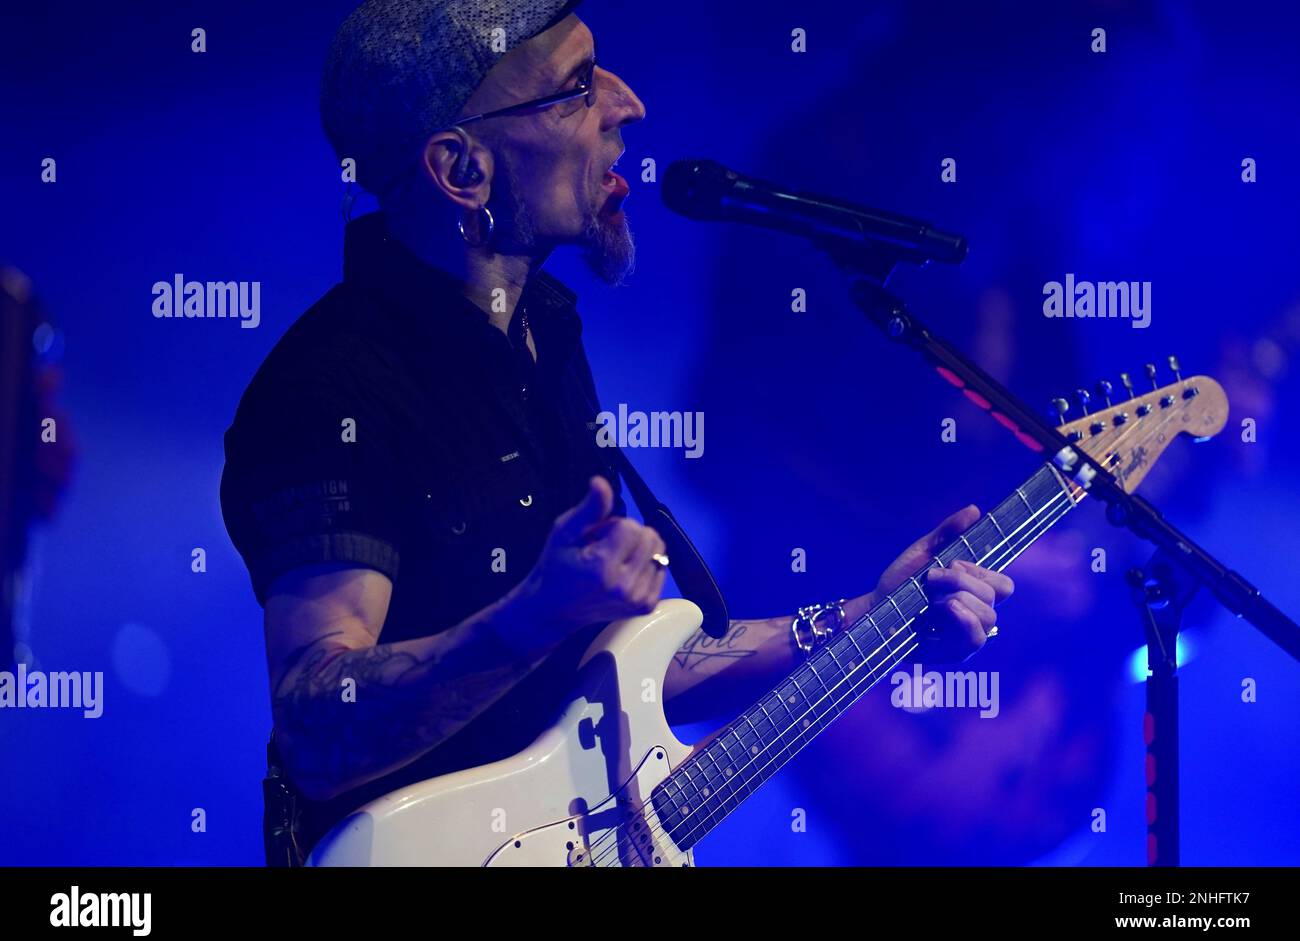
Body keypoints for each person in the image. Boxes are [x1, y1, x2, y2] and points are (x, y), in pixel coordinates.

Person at [218, 0, 1012, 864]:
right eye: (575, 89)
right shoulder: (331, 388)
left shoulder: (543, 335)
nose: (627, 104)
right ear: (461, 168)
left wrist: (867, 619)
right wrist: (530, 617)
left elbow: (611, 673)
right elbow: (316, 728)